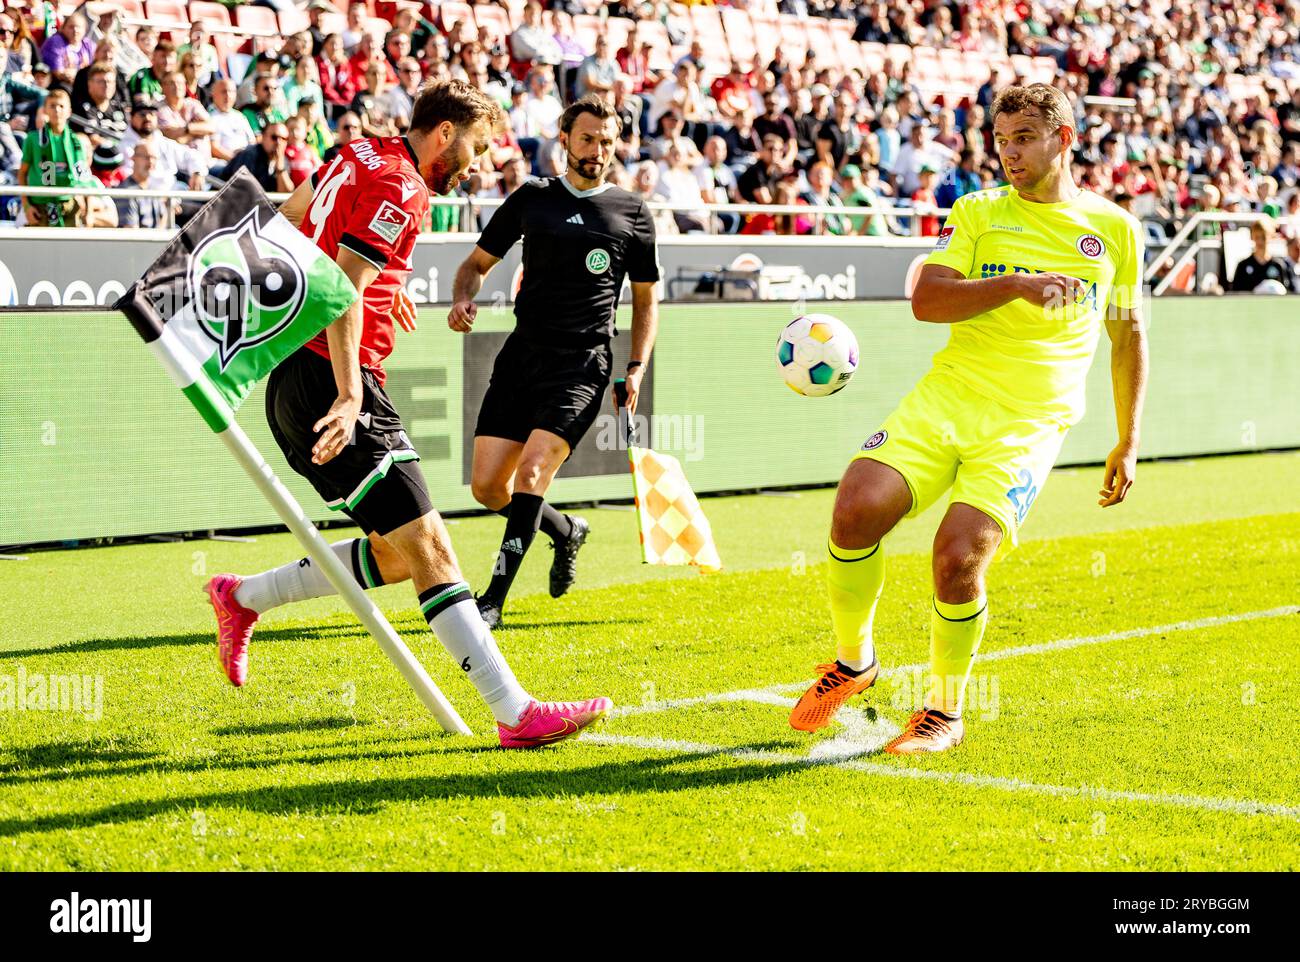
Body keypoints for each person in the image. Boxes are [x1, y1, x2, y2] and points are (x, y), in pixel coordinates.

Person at [206, 80, 612, 749]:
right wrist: (348, 392)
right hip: (331, 383)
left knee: (398, 557)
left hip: (297, 378)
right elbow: (341, 287)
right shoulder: (404, 187)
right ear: (446, 134)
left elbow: (285, 222)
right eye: (478, 146)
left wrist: (378, 289)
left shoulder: (355, 154)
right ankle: (516, 714)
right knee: (432, 547)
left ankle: (241, 597)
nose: (481, 162)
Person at [788, 84, 1148, 755]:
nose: (1008, 153)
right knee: (854, 510)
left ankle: (944, 712)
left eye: (1023, 139)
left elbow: (1128, 338)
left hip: (1028, 423)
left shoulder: (1116, 230)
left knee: (957, 558)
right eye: (1001, 140)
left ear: (1063, 140)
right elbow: (927, 300)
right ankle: (855, 660)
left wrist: (1127, 441)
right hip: (946, 399)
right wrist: (1014, 284)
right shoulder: (978, 210)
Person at [448, 95, 660, 629]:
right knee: (487, 489)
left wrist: (635, 366)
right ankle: (565, 531)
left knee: (533, 470)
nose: (598, 150)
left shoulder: (632, 212)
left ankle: (492, 601)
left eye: (607, 142)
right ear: (564, 139)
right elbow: (474, 265)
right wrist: (462, 298)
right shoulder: (532, 198)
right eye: (587, 139)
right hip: (522, 355)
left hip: (582, 364)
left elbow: (646, 299)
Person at [19, 90, 97, 226]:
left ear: (69, 111)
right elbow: (22, 173)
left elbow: (85, 177)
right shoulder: (33, 139)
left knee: (69, 246)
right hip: (40, 206)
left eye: (61, 106)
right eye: (52, 106)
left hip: (69, 204)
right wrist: (26, 206)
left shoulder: (77, 142)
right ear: (44, 110)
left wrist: (89, 211)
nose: (57, 110)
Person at [219, 122, 295, 193]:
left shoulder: (283, 160)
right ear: (263, 137)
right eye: (274, 137)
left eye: (284, 139)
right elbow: (242, 189)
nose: (278, 142)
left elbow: (286, 193)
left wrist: (280, 168)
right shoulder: (249, 155)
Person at [114, 141, 174, 228]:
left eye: (154, 157)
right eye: (146, 157)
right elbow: (130, 233)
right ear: (133, 158)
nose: (151, 162)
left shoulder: (153, 188)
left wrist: (170, 209)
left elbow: (162, 220)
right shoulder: (126, 192)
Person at [1229, 219, 1299, 293]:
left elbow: (1288, 292)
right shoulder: (1243, 266)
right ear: (1252, 237)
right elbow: (1236, 293)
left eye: (1263, 237)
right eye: (1257, 237)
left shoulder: (1279, 265)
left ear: (1271, 236)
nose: (1260, 241)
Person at [207, 78, 256, 164]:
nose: (228, 95)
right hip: (225, 164)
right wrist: (236, 160)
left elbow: (252, 142)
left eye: (232, 92)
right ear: (213, 94)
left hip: (245, 161)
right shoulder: (209, 117)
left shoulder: (240, 116)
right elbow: (213, 148)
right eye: (224, 91)